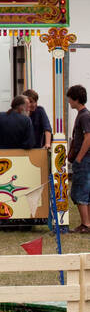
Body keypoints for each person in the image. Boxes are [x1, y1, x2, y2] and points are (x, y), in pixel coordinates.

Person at [67, 84, 90, 233]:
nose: (69, 101)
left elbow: (88, 138)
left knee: (79, 191)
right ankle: (87, 223)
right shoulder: (83, 115)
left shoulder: (84, 116)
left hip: (85, 160)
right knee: (86, 191)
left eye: (70, 98)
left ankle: (85, 224)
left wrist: (79, 158)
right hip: (85, 159)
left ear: (76, 99)